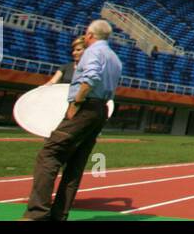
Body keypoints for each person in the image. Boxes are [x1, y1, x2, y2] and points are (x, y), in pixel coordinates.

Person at [22, 19, 122, 220]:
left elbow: (91, 78)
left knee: (49, 154)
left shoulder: (94, 51)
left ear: (90, 35)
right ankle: (60, 215)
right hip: (100, 109)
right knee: (76, 163)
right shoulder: (115, 58)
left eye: (86, 34)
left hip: (85, 107)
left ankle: (37, 213)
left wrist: (76, 103)